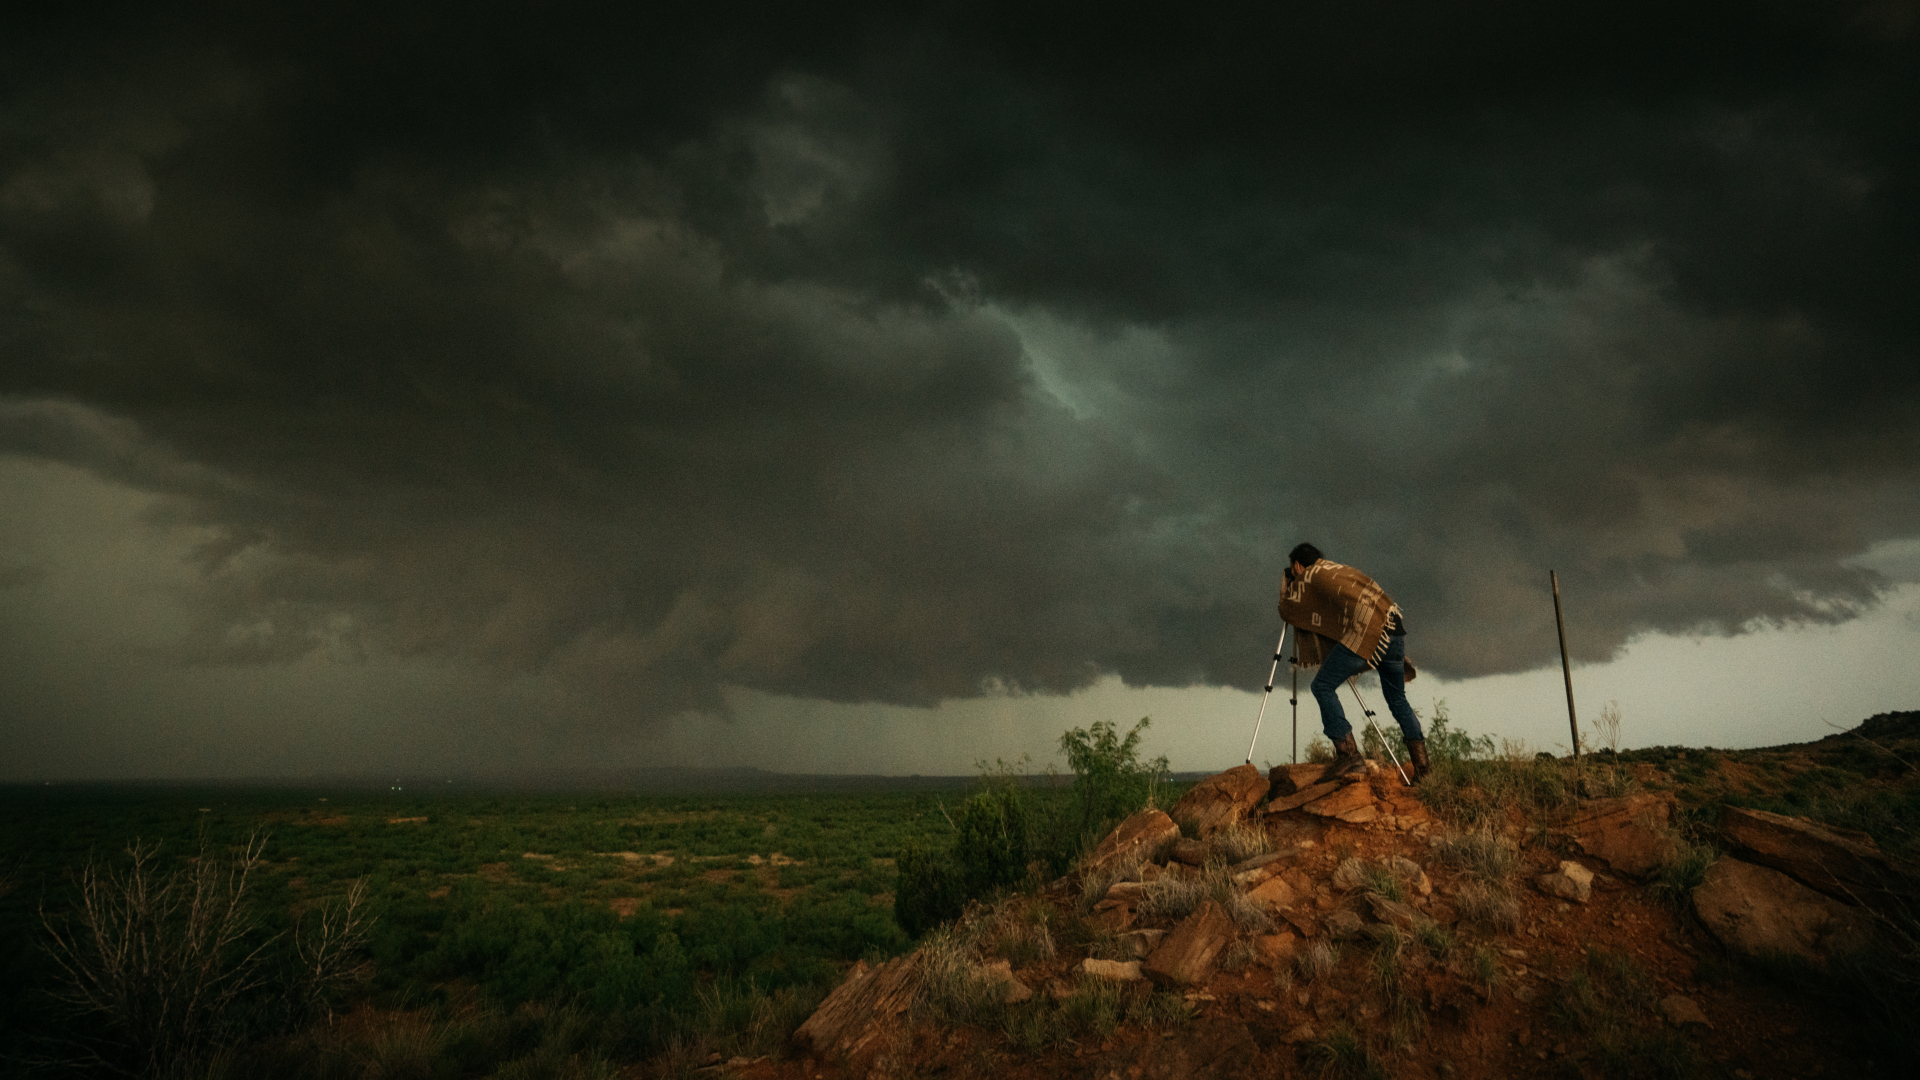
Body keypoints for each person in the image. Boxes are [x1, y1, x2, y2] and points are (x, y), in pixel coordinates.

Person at [1276, 542, 1430, 782]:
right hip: (1394, 629)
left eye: (1293, 568)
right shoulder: (1338, 570)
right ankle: (1424, 769)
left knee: (1322, 686)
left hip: (1369, 632)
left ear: (1297, 565)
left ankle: (1349, 757)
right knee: (1397, 700)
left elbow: (1288, 610)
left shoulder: (1310, 576)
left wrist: (1286, 586)